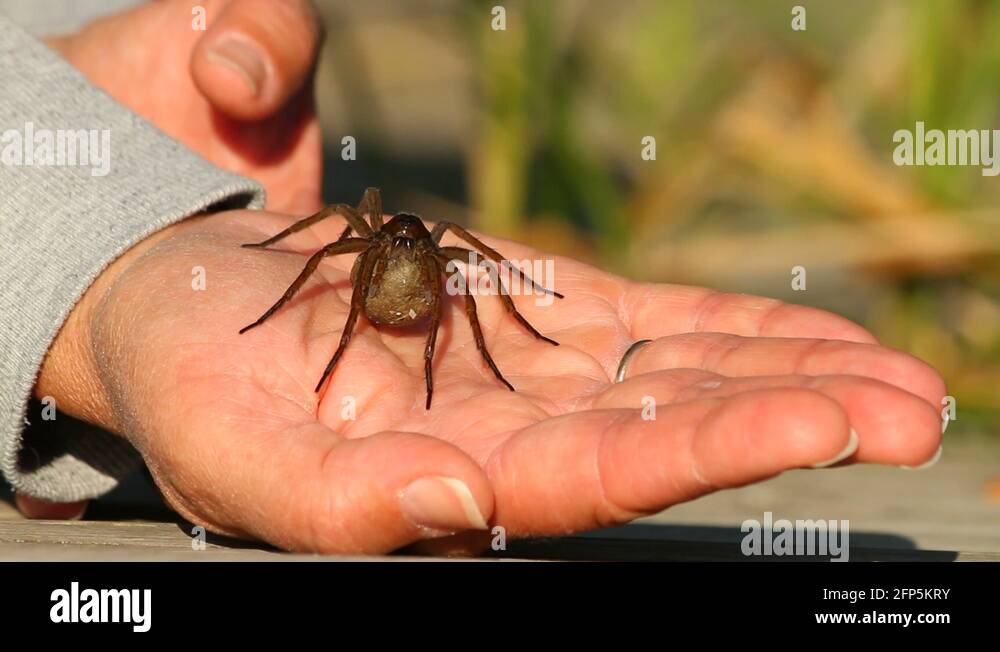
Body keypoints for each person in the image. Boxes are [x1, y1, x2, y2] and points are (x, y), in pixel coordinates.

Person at [0, 0, 945, 555]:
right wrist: (107, 251)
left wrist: (84, 144)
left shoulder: (423, 250)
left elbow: (443, 287)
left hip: (381, 271)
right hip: (378, 271)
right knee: (359, 263)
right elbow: (366, 253)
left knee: (387, 273)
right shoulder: (400, 242)